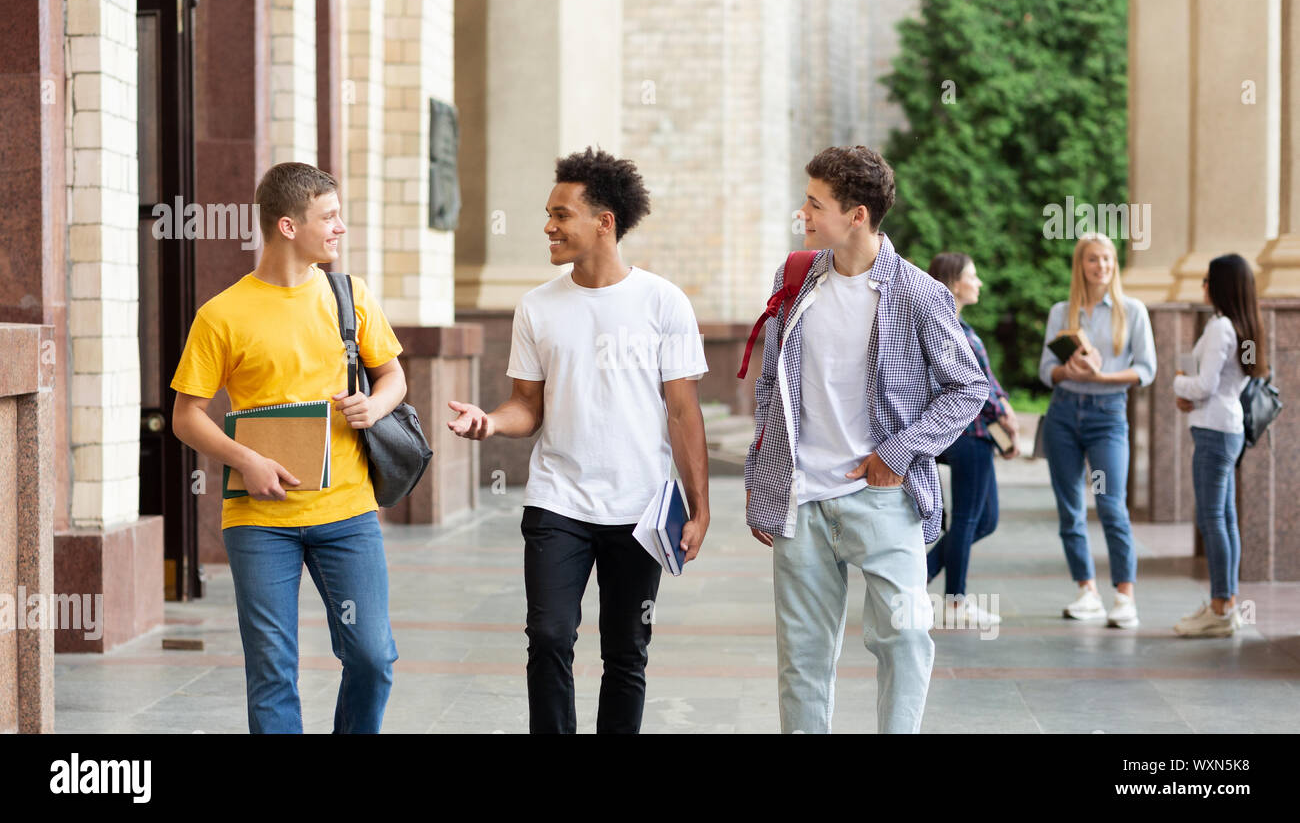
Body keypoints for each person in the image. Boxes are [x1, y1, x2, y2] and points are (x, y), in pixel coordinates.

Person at [446, 147, 710, 734]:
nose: (548, 226)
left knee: (625, 650)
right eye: (549, 213)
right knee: (547, 636)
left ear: (604, 222)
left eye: (561, 214)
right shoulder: (537, 306)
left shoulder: (663, 302)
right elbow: (525, 407)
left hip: (640, 507)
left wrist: (701, 508)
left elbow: (684, 412)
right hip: (557, 500)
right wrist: (489, 421)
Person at [744, 146, 987, 734]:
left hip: (882, 498)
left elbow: (968, 387)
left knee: (905, 638)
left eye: (815, 203)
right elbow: (771, 389)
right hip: (800, 499)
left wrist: (898, 453)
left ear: (856, 215)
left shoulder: (920, 294)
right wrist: (763, 486)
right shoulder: (795, 278)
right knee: (801, 660)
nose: (802, 213)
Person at [170, 162, 403, 733]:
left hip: (348, 513)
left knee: (373, 659)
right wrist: (246, 459)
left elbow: (393, 377)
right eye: (329, 216)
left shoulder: (350, 296)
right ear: (288, 226)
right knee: (273, 670)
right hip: (259, 521)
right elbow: (185, 417)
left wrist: (374, 406)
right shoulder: (221, 315)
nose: (340, 227)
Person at [1038, 233, 1156, 629]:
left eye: (1106, 259)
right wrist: (1065, 370)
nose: (1100, 266)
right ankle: (1086, 590)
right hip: (1064, 417)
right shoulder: (1062, 311)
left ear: (1114, 264)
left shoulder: (1132, 311)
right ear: (1081, 265)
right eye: (1092, 259)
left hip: (1107, 417)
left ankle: (1124, 595)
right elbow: (1044, 371)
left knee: (1109, 503)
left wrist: (1103, 375)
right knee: (1070, 507)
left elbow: (1146, 370)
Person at [1172, 254, 1265, 637]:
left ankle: (1221, 607)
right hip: (1227, 428)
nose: (1203, 286)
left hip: (1213, 429)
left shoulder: (1221, 328)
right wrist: (1186, 375)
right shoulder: (1240, 325)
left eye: (1208, 279)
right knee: (1223, 518)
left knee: (1213, 519)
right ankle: (1223, 603)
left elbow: (1204, 385)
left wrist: (1178, 384)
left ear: (1222, 285)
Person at [925, 252, 1018, 627]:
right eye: (972, 276)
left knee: (985, 520)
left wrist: (1004, 406)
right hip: (967, 434)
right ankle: (955, 603)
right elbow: (971, 386)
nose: (978, 283)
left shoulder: (959, 326)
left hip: (980, 434)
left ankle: (914, 584)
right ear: (953, 282)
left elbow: (987, 379)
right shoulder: (946, 327)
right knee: (966, 520)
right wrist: (1002, 415)